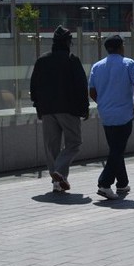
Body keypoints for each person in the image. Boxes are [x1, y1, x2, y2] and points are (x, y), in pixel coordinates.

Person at [29, 26, 89, 193]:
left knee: (52, 146)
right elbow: (81, 85)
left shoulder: (42, 60)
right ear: (68, 42)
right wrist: (84, 107)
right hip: (69, 109)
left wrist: (38, 106)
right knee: (74, 143)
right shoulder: (72, 60)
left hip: (47, 110)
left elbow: (34, 86)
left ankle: (57, 182)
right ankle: (59, 171)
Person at [89, 34, 134, 200]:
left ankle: (122, 183)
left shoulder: (97, 66)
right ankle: (104, 184)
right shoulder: (128, 63)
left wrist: (103, 102)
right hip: (124, 113)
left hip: (106, 114)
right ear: (120, 47)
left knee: (116, 148)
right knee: (117, 150)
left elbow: (92, 91)